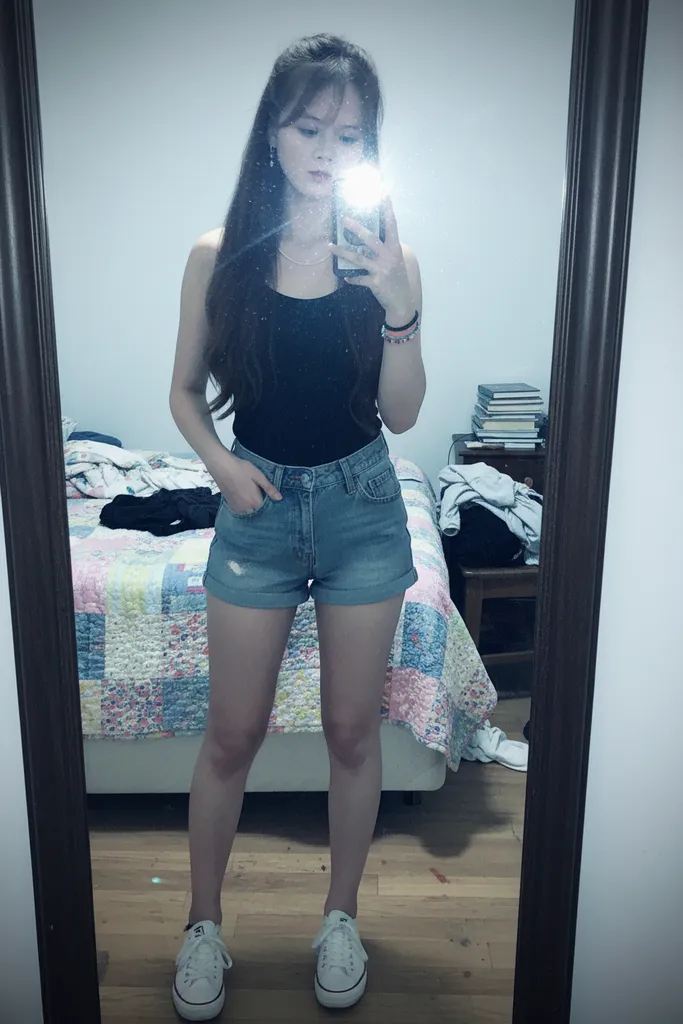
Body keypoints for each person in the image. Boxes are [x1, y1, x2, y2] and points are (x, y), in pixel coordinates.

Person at [168, 32, 426, 1020]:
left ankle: (339, 917)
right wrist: (222, 465)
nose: (325, 150)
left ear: (369, 147)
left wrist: (398, 307)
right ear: (271, 133)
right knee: (231, 734)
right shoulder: (217, 255)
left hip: (363, 508)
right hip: (259, 510)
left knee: (352, 732)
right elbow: (184, 392)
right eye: (308, 127)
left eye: (348, 135)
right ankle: (202, 924)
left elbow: (402, 413)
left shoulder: (390, 260)